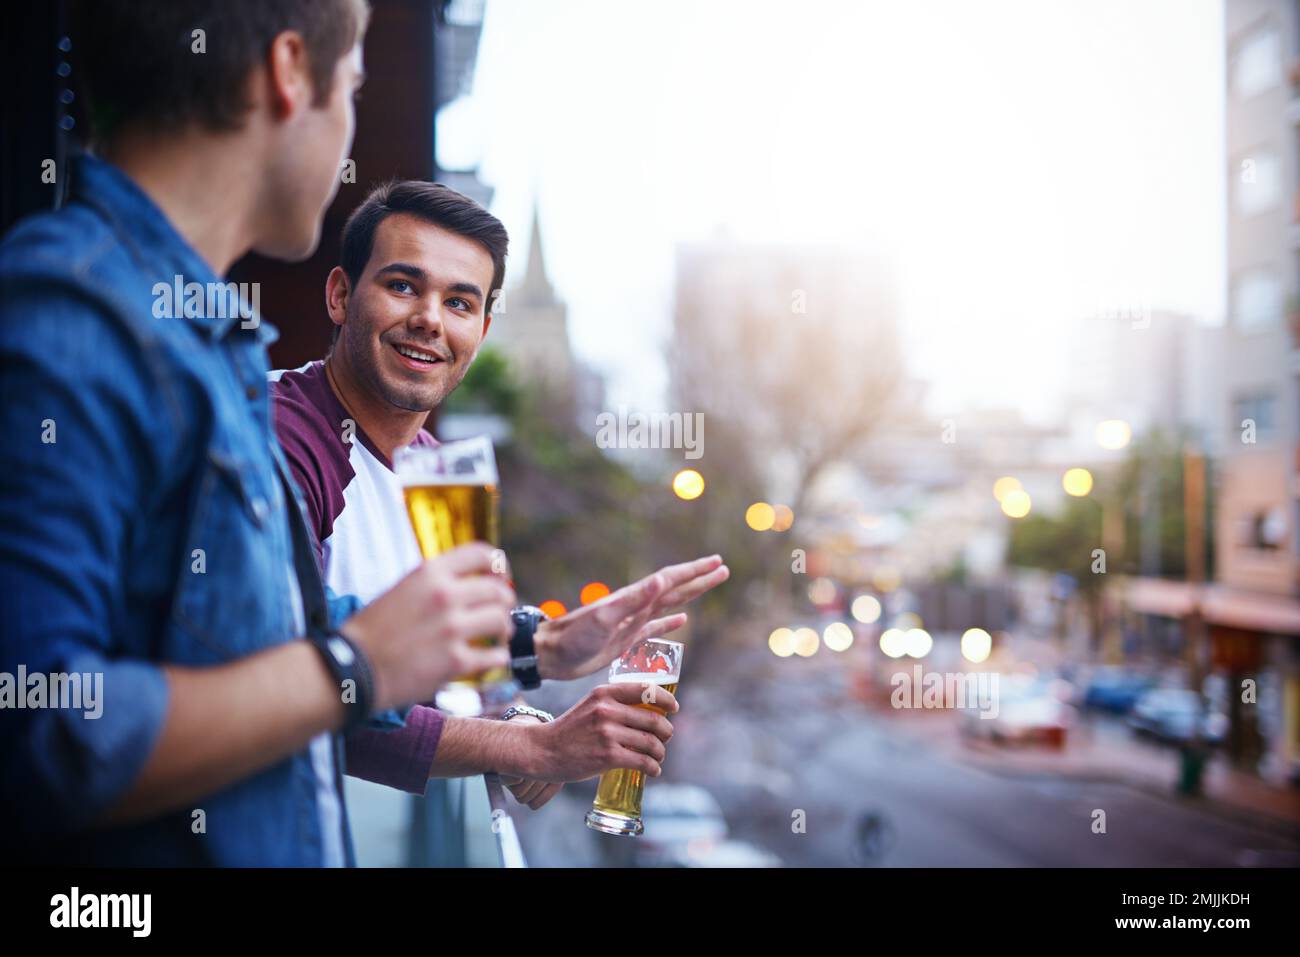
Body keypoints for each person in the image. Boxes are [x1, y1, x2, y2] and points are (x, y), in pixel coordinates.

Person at [0, 0, 516, 866]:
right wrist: (351, 667)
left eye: (463, 301)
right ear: (289, 72)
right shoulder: (72, 315)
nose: (350, 129)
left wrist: (532, 639)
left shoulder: (208, 345)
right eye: (350, 87)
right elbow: (46, 725)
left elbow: (259, 619)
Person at [271, 180, 729, 819]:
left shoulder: (439, 472)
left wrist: (542, 653)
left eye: (459, 302)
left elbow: (433, 670)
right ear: (342, 296)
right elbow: (301, 684)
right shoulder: (281, 439)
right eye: (403, 286)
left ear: (482, 329)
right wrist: (530, 747)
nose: (430, 319)